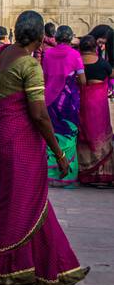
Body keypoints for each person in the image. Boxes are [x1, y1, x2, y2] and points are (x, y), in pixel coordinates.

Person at [0, 11, 89, 285]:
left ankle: (56, 271)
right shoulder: (29, 66)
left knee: (34, 202)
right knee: (16, 206)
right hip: (17, 143)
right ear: (39, 38)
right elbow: (40, 115)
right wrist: (58, 152)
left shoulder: (0, 55)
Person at [41, 26, 84, 185]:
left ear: (57, 38)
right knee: (69, 135)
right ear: (70, 38)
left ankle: (50, 173)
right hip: (68, 102)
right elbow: (83, 80)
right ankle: (67, 177)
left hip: (50, 100)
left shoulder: (48, 54)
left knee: (52, 134)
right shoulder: (75, 55)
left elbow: (45, 77)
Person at [77, 35, 114, 186]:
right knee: (100, 135)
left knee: (84, 134)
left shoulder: (77, 62)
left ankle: (85, 173)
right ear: (94, 48)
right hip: (98, 105)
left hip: (82, 103)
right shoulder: (102, 64)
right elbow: (112, 74)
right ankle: (102, 175)